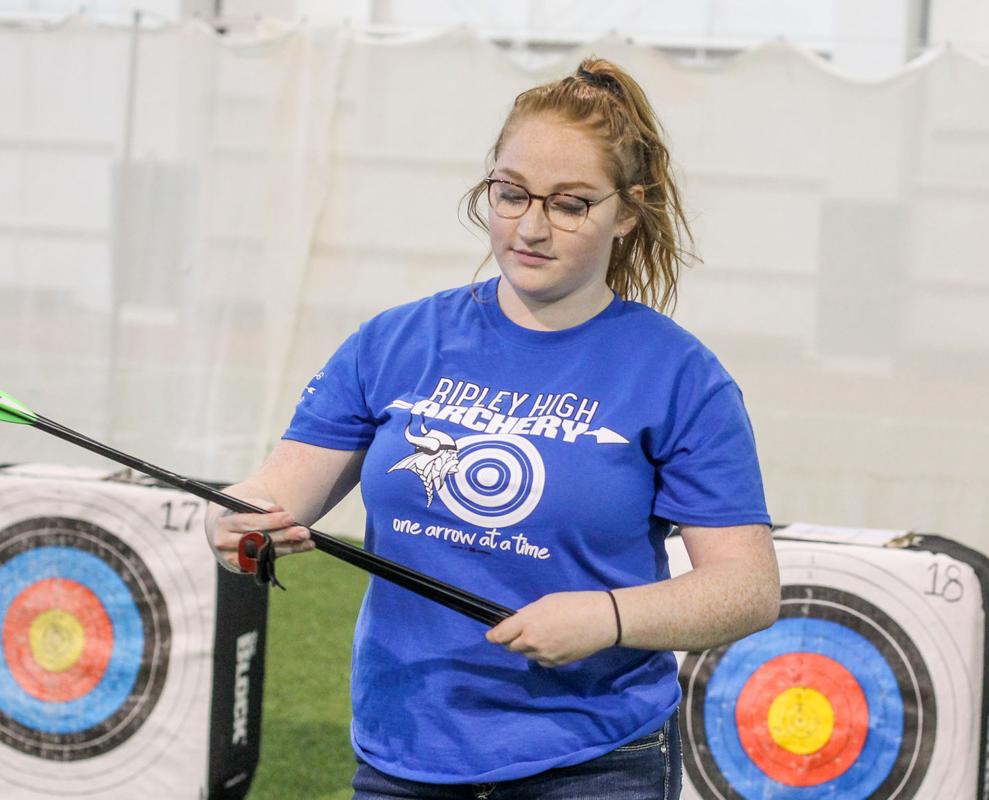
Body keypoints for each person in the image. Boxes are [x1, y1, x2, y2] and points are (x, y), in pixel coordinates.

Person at [206, 56, 780, 800]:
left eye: (571, 204)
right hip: (405, 752)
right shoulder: (395, 343)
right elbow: (274, 493)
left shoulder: (680, 378)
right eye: (510, 195)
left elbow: (747, 589)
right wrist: (234, 524)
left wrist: (608, 617)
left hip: (591, 764)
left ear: (628, 211)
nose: (530, 227)